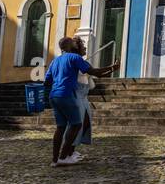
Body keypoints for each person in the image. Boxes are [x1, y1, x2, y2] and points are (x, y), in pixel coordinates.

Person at [44, 36, 117, 166]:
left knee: (60, 127)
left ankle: (54, 160)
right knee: (77, 124)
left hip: (53, 96)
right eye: (73, 42)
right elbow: (93, 71)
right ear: (68, 46)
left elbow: (47, 81)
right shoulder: (74, 57)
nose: (76, 44)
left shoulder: (55, 61)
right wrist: (111, 67)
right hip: (67, 94)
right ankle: (64, 156)